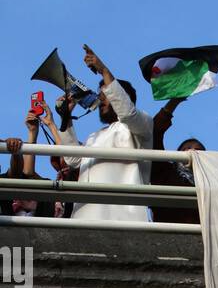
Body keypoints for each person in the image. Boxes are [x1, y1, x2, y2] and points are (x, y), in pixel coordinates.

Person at [49, 45, 155, 222]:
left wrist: (104, 70)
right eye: (101, 95)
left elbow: (128, 113)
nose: (101, 100)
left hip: (126, 216)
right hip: (86, 215)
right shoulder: (94, 136)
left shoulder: (142, 123)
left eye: (106, 94)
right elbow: (73, 160)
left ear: (122, 96)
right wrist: (66, 119)